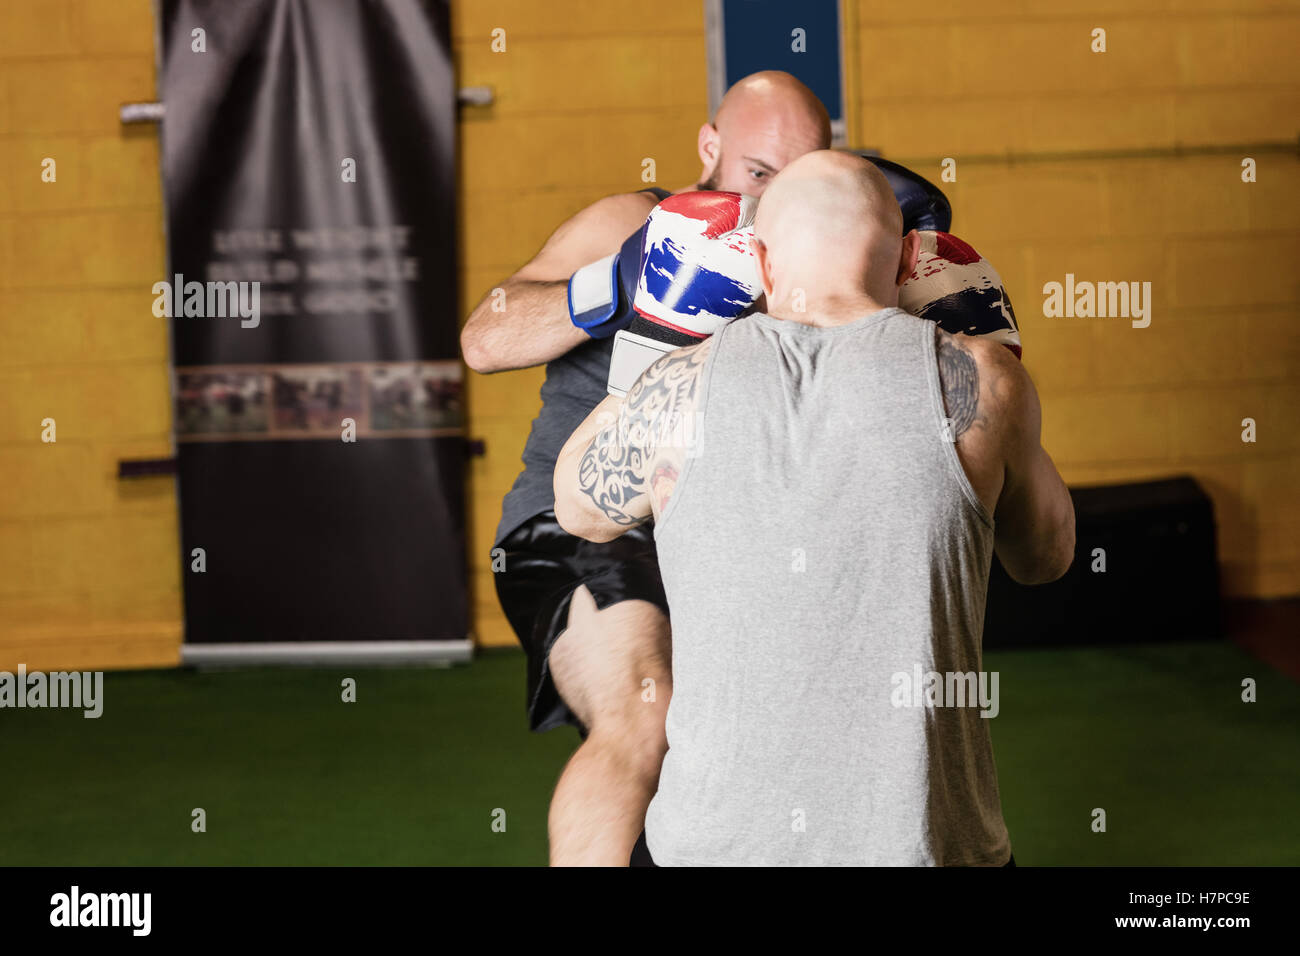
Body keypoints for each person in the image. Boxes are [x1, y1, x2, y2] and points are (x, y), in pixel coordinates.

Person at [553, 150, 1076, 865]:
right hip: (925, 848)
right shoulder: (979, 382)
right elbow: (1047, 559)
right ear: (905, 263)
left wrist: (654, 343)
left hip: (711, 849)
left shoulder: (679, 384)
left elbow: (578, 509)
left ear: (761, 265)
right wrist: (999, 356)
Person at [461, 72, 832, 865]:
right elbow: (483, 340)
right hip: (584, 529)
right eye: (758, 174)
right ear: (710, 148)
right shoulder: (635, 221)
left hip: (729, 549)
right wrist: (620, 282)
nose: (771, 202)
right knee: (644, 711)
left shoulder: (815, 270)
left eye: (796, 181)